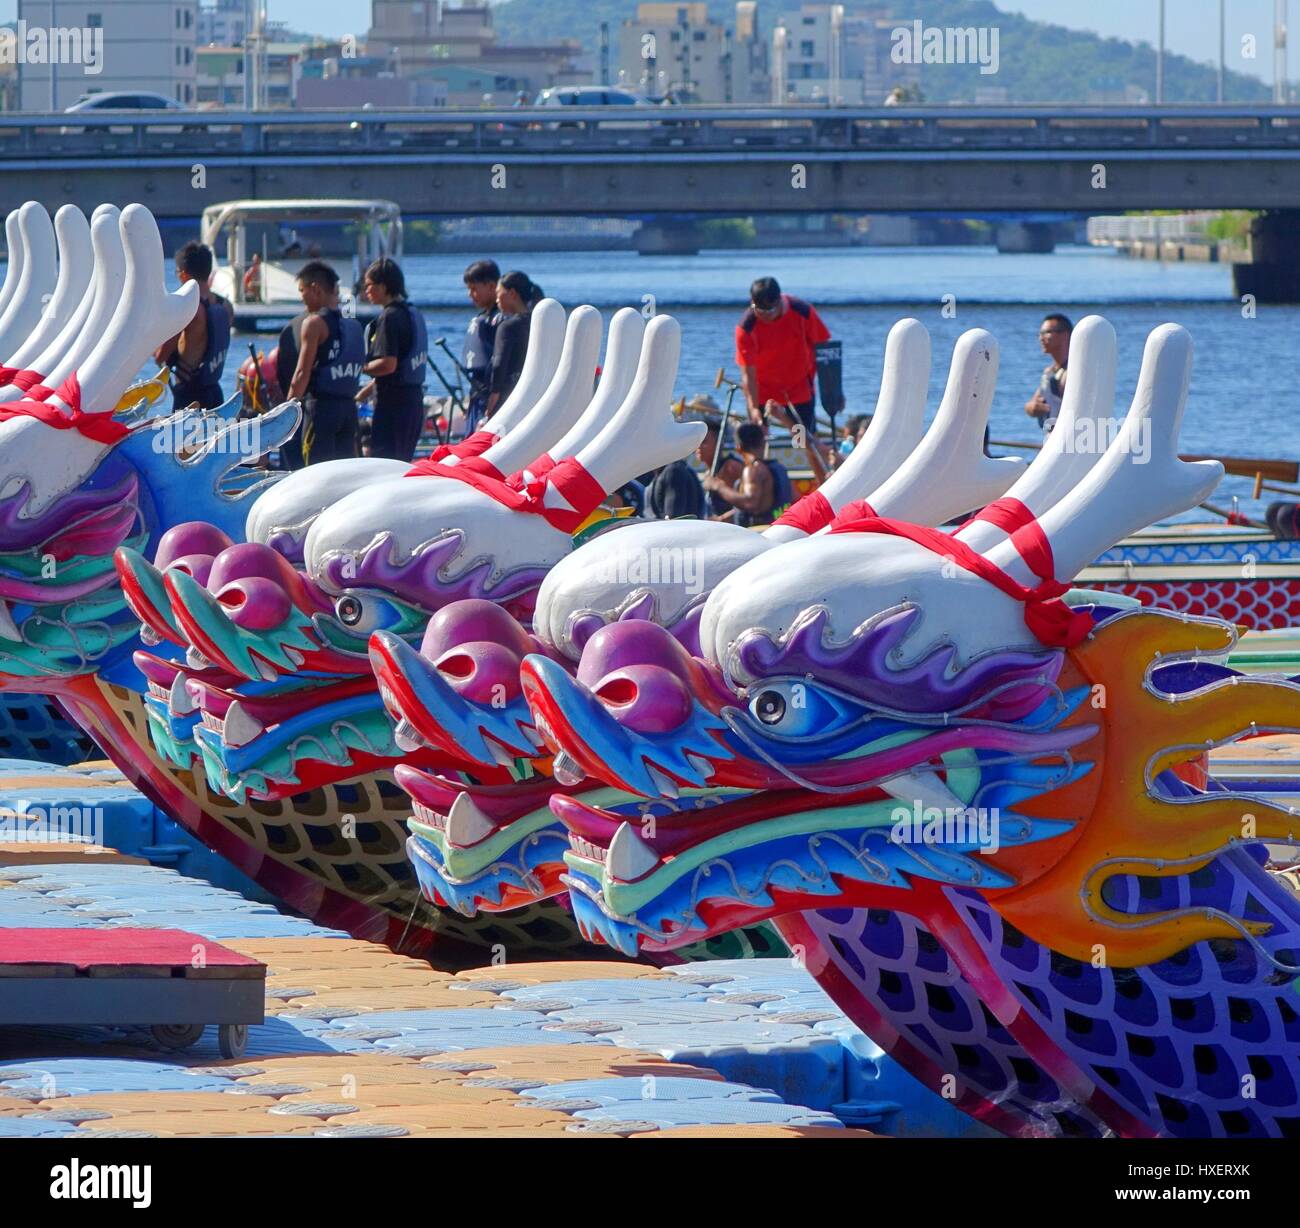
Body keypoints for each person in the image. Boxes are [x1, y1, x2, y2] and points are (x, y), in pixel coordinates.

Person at [286, 260, 365, 466]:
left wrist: (286, 412)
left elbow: (302, 374)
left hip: (321, 412)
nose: (301, 298)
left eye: (302, 290)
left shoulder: (313, 324)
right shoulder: (355, 326)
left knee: (315, 474)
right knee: (346, 474)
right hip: (349, 412)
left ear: (316, 289)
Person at [736, 276, 832, 442]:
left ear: (779, 301)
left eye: (770, 311)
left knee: (802, 440)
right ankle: (760, 466)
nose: (765, 316)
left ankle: (810, 462)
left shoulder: (802, 312)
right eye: (760, 310)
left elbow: (824, 350)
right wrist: (753, 409)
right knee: (757, 439)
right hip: (761, 391)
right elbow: (747, 374)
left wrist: (831, 390)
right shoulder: (746, 327)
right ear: (752, 302)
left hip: (799, 388)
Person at [358, 257, 427, 463]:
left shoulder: (389, 317)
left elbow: (388, 365)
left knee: (384, 464)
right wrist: (360, 395)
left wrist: (359, 367)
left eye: (369, 285)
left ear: (383, 286)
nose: (366, 291)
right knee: (401, 463)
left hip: (393, 406)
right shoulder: (410, 312)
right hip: (413, 401)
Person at [154, 241, 233, 412]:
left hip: (189, 397)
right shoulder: (226, 306)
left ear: (183, 275)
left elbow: (160, 356)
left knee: (186, 440)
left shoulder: (188, 309)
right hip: (215, 391)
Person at [703, 421, 786, 528]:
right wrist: (721, 520)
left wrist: (718, 487)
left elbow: (749, 503)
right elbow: (795, 497)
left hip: (757, 532)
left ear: (738, 448)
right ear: (763, 443)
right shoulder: (779, 468)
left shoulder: (752, 470)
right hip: (776, 526)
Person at [486, 270, 541, 418]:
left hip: (509, 397)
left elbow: (499, 364)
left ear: (512, 294)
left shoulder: (508, 327)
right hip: (536, 396)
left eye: (499, 293)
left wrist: (492, 401)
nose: (496, 299)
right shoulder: (541, 323)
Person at [461, 259, 500, 431]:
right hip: (476, 392)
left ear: (492, 286)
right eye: (469, 289)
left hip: (490, 395)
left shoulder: (500, 320)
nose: (470, 294)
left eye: (474, 289)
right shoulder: (482, 317)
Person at [1025, 313, 1072, 431]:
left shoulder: (1073, 372)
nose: (1041, 338)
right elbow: (1031, 404)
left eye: (1047, 332)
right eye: (1040, 334)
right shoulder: (1049, 372)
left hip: (1068, 439)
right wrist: (1033, 408)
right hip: (1051, 437)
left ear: (1065, 335)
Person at [696, 420, 744, 520]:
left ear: (718, 444)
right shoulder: (708, 473)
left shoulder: (730, 467)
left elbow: (748, 503)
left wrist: (720, 519)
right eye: (698, 442)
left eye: (704, 442)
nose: (699, 447)